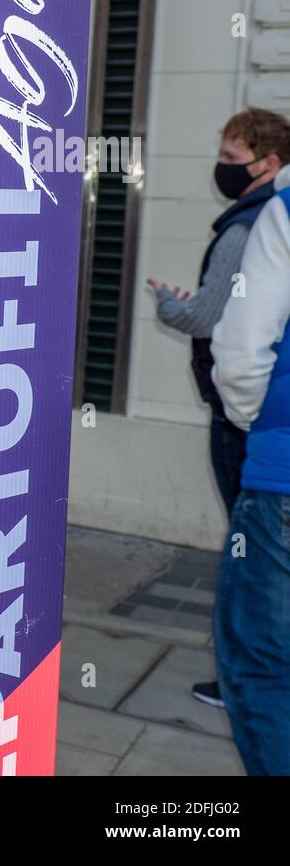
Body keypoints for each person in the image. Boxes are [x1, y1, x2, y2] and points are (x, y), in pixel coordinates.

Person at [146, 108, 287, 710]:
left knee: (251, 558)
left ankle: (249, 682)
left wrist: (169, 308)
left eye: (232, 160)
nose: (222, 170)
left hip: (253, 428)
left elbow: (218, 325)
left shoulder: (250, 227)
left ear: (269, 163)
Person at [209, 140, 290, 777]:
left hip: (283, 472)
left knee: (262, 663)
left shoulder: (278, 214)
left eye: (232, 150)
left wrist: (257, 426)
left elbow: (238, 353)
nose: (223, 160)